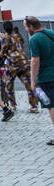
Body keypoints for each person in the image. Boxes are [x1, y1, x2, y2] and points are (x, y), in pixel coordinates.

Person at [25, 16, 54, 144]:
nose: (26, 29)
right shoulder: (51, 33)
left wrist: (32, 80)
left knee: (52, 105)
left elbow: (35, 60)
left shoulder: (34, 39)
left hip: (46, 77)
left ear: (31, 27)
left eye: (26, 27)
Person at [0, 19, 39, 112]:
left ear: (4, 28)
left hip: (13, 64)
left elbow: (3, 51)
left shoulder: (5, 38)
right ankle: (34, 106)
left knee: (8, 85)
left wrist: (0, 54)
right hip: (24, 62)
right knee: (29, 84)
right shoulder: (17, 36)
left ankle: (13, 105)